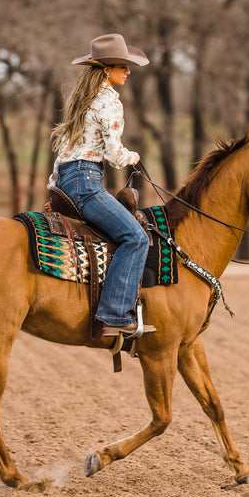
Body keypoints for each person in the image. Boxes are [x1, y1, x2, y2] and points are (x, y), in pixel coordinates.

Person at [49, 34, 155, 338]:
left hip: (67, 180)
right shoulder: (109, 100)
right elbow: (113, 154)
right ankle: (115, 315)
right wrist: (133, 156)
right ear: (107, 69)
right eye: (123, 66)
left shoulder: (83, 102)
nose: (128, 72)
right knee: (135, 238)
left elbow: (64, 154)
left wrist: (54, 189)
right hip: (86, 181)